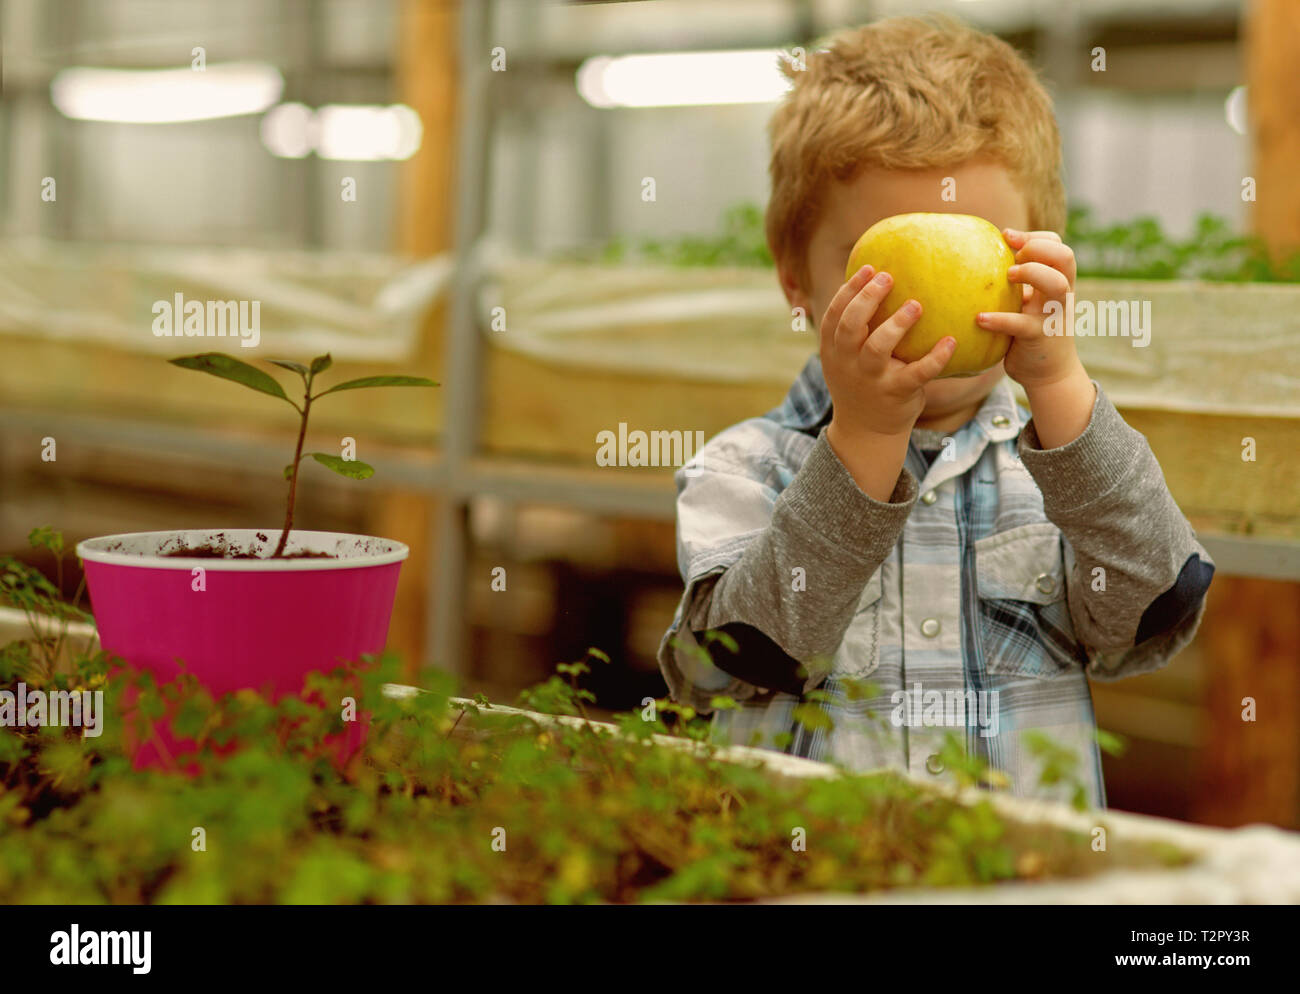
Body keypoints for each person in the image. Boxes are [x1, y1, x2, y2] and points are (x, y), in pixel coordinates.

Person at [656, 14, 1215, 807]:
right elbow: (732, 663)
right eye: (875, 268)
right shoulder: (743, 467)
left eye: (986, 246)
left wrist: (1057, 383)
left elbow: (1150, 615)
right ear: (796, 283)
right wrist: (869, 435)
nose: (924, 308)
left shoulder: (1068, 464)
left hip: (1014, 878)